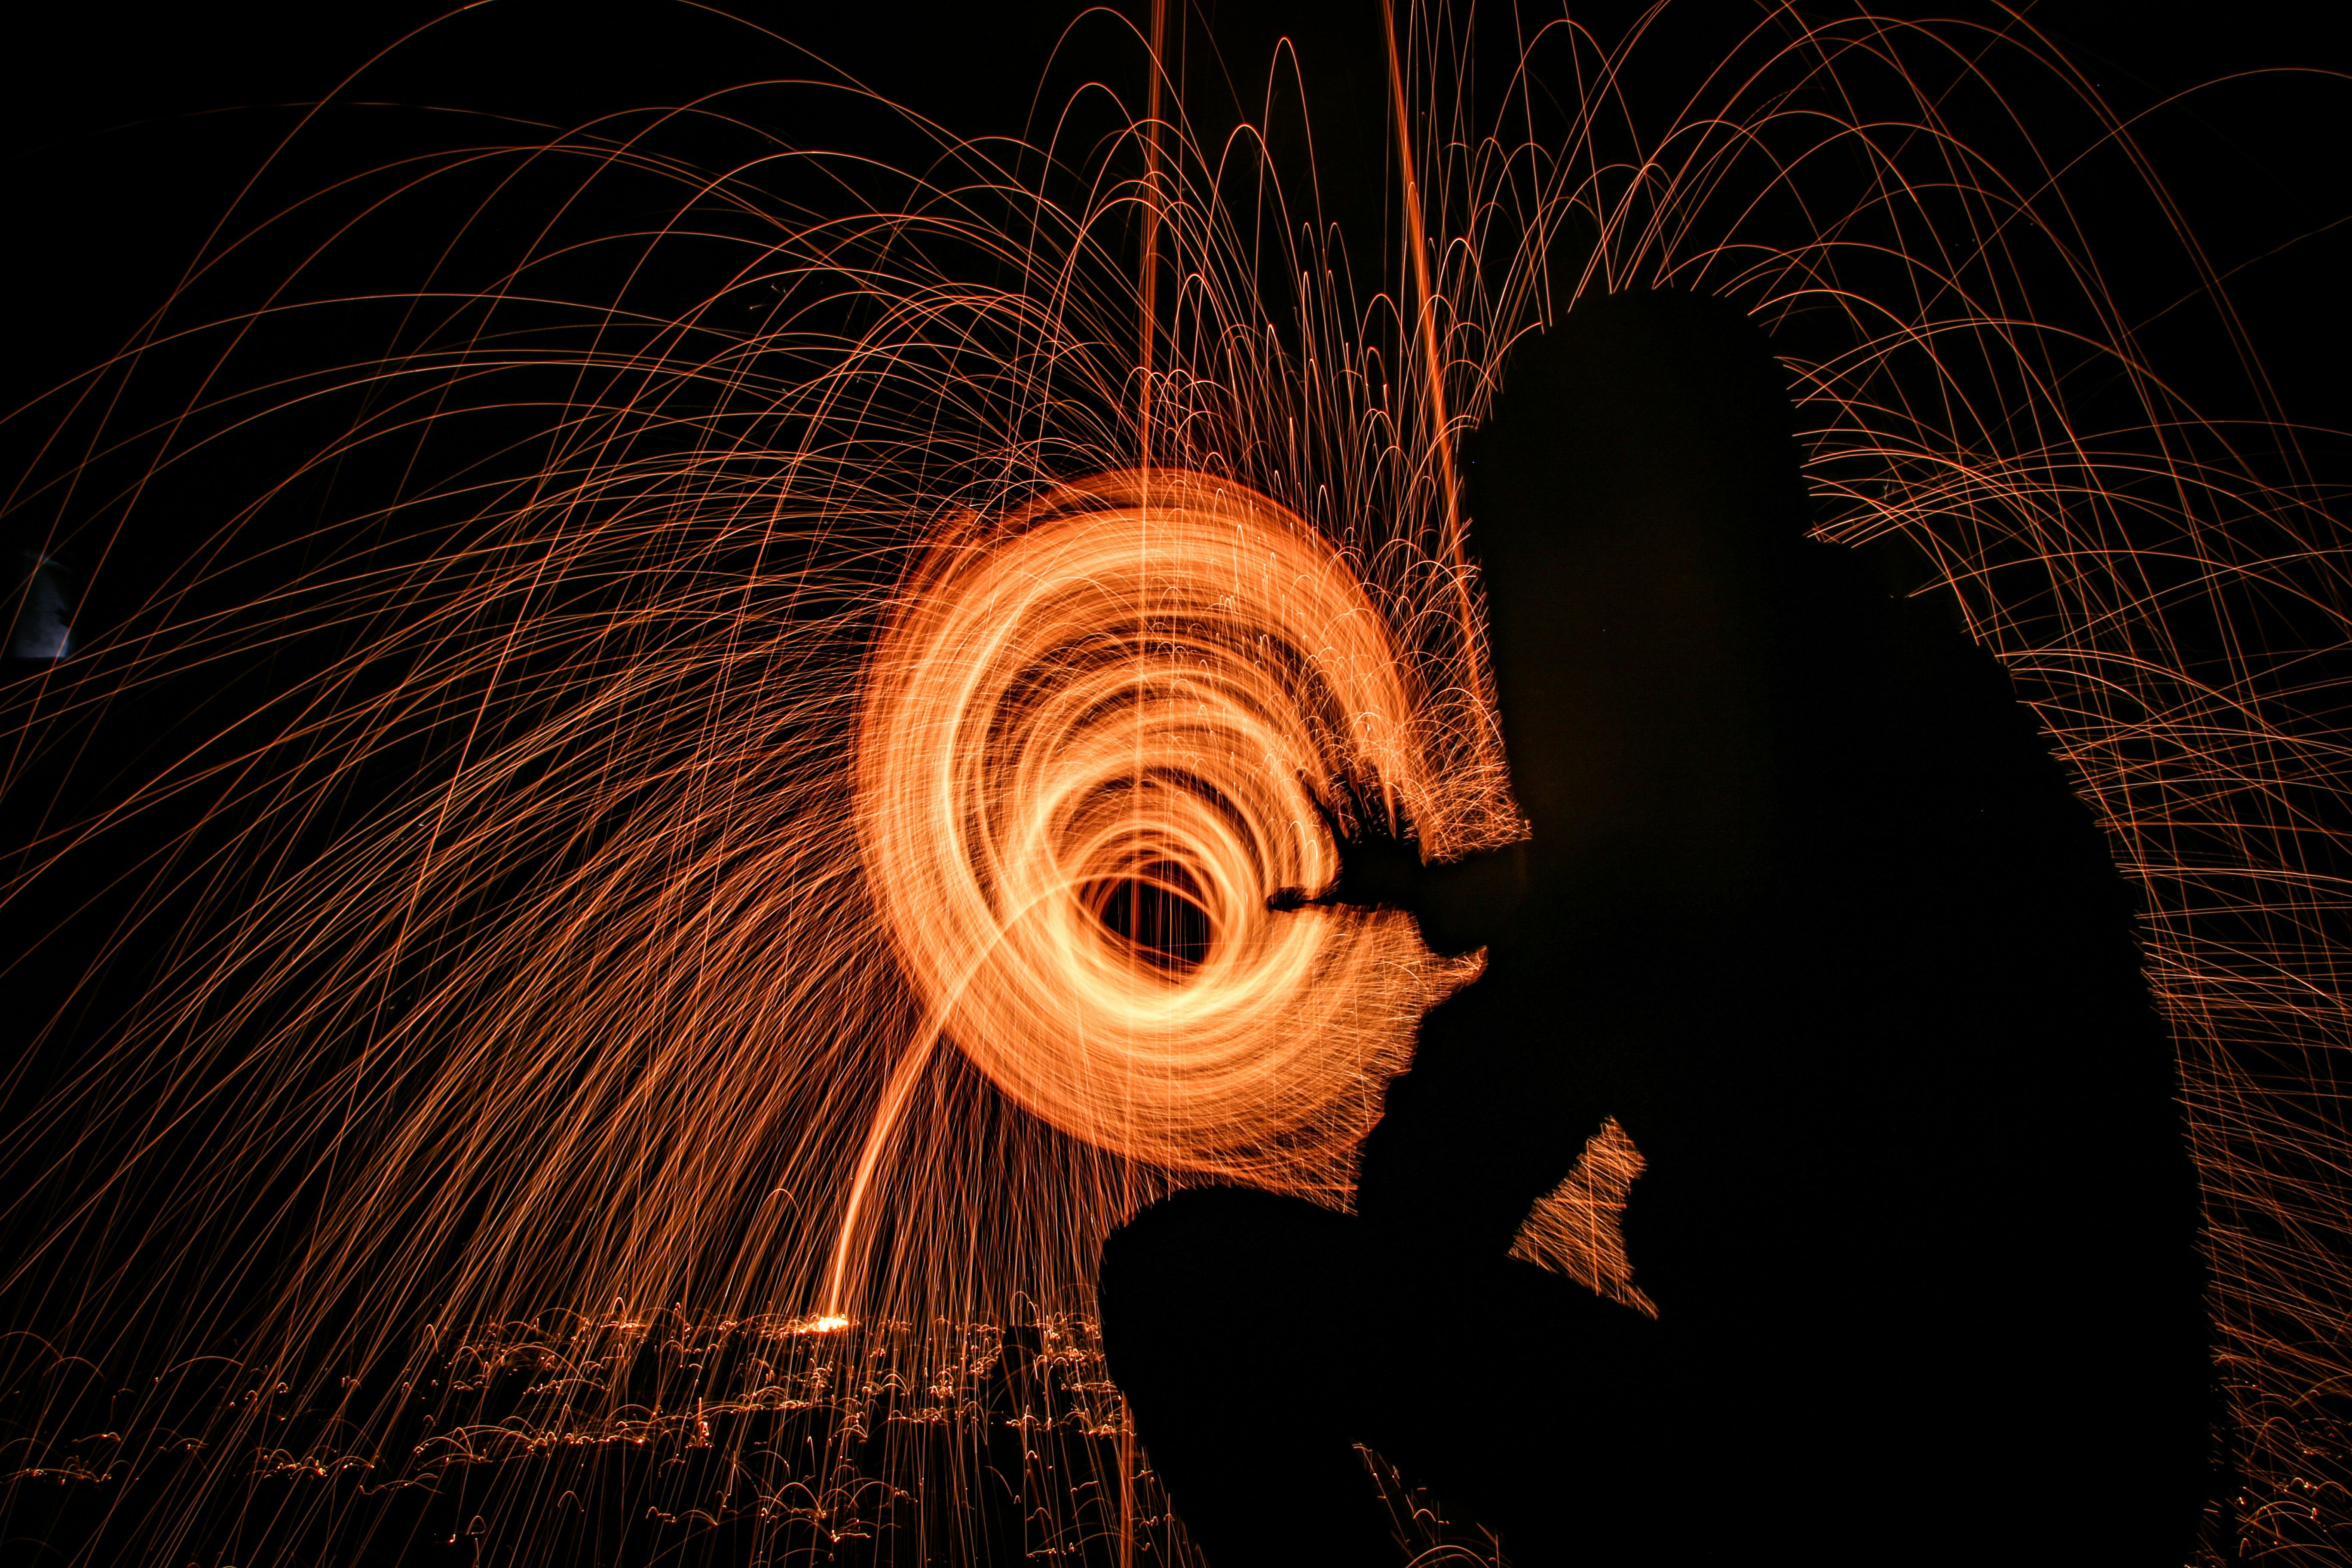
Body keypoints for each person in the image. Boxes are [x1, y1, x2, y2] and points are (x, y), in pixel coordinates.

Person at [1096, 289, 2213, 1566]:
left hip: (1863, 1478)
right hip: (2096, 1468)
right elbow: (1757, 916)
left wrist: (1513, 961)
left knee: (1192, 1292)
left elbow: (1437, 1190)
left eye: (1506, 559)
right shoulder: (1886, 685)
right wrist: (1450, 898)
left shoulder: (1682, 766)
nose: (1500, 628)